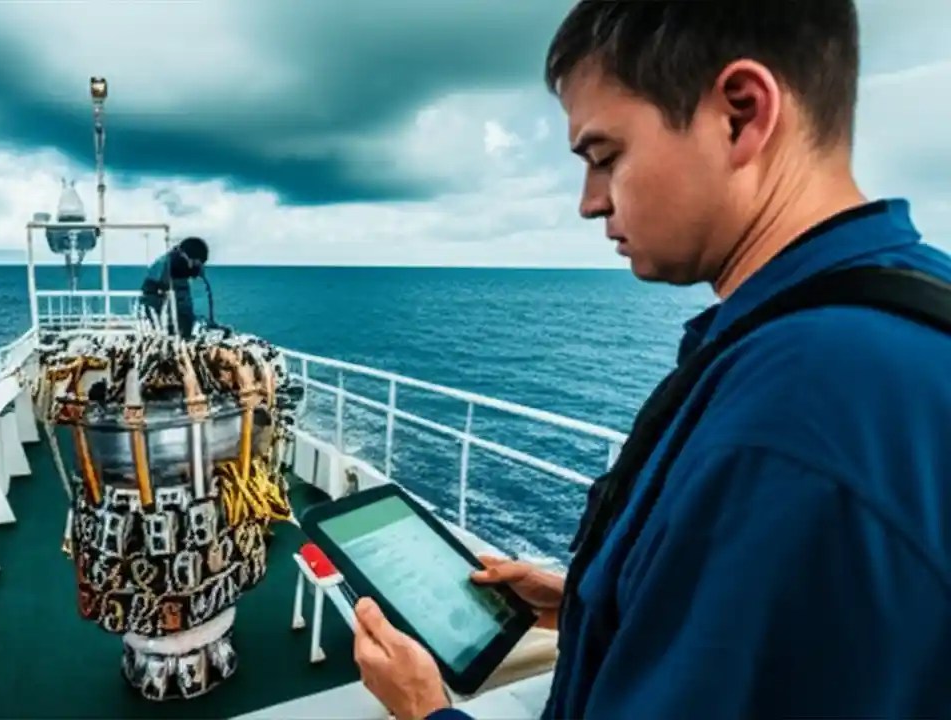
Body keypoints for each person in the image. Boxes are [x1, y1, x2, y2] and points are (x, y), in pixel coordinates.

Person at [352, 1, 951, 718]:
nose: (588, 202)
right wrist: (591, 597)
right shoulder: (903, 311)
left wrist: (426, 710)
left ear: (741, 113)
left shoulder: (797, 415)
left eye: (605, 157)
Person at [141, 236, 209, 337]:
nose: (196, 265)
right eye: (195, 262)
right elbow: (157, 287)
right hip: (157, 297)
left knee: (187, 319)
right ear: (187, 256)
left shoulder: (183, 262)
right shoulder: (164, 263)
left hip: (179, 296)